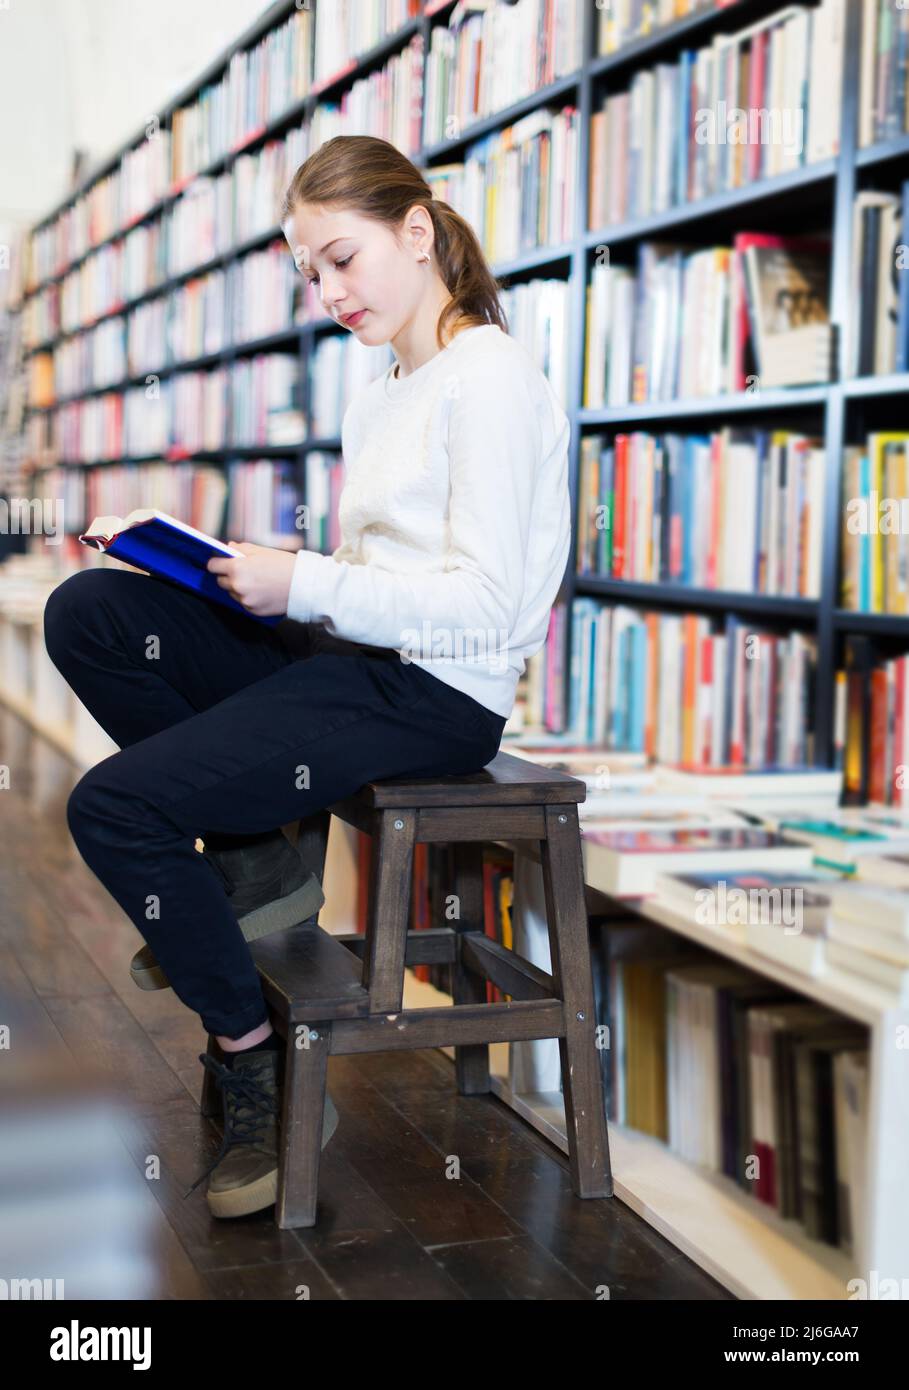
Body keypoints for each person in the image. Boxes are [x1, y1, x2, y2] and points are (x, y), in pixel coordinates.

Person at [43, 133, 571, 1221]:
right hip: (346, 651)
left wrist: (310, 582)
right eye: (308, 273)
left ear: (417, 234)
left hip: (434, 693)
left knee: (117, 806)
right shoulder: (383, 384)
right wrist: (228, 569)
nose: (327, 291)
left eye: (342, 260)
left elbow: (490, 611)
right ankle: (251, 859)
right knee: (92, 610)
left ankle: (254, 1054)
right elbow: (367, 575)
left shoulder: (495, 382)